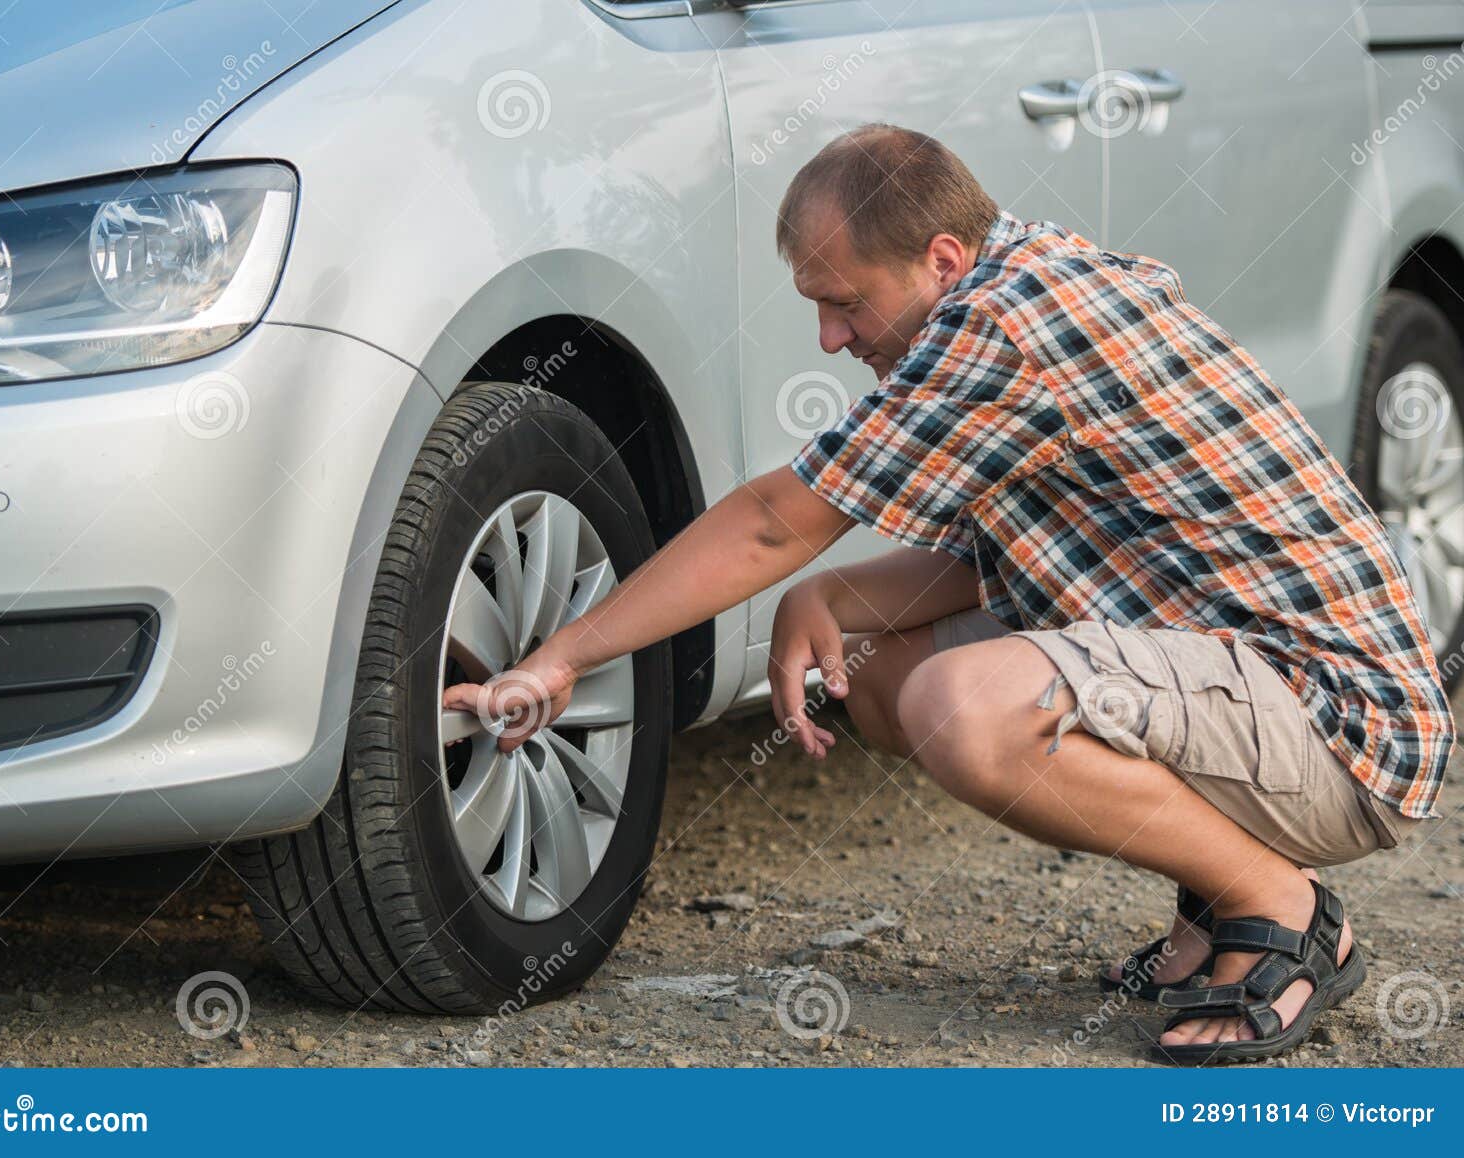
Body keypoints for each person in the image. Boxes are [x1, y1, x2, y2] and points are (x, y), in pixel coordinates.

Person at [443, 123, 1453, 1064]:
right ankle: (1217, 893)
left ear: (940, 260)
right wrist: (829, 599)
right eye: (817, 306)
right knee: (884, 679)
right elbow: (1002, 558)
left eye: (846, 303)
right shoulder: (1026, 277)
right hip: (1260, 690)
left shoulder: (1005, 327)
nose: (830, 338)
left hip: (1340, 730)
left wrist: (565, 655)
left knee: (962, 707)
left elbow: (771, 522)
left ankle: (1279, 909)